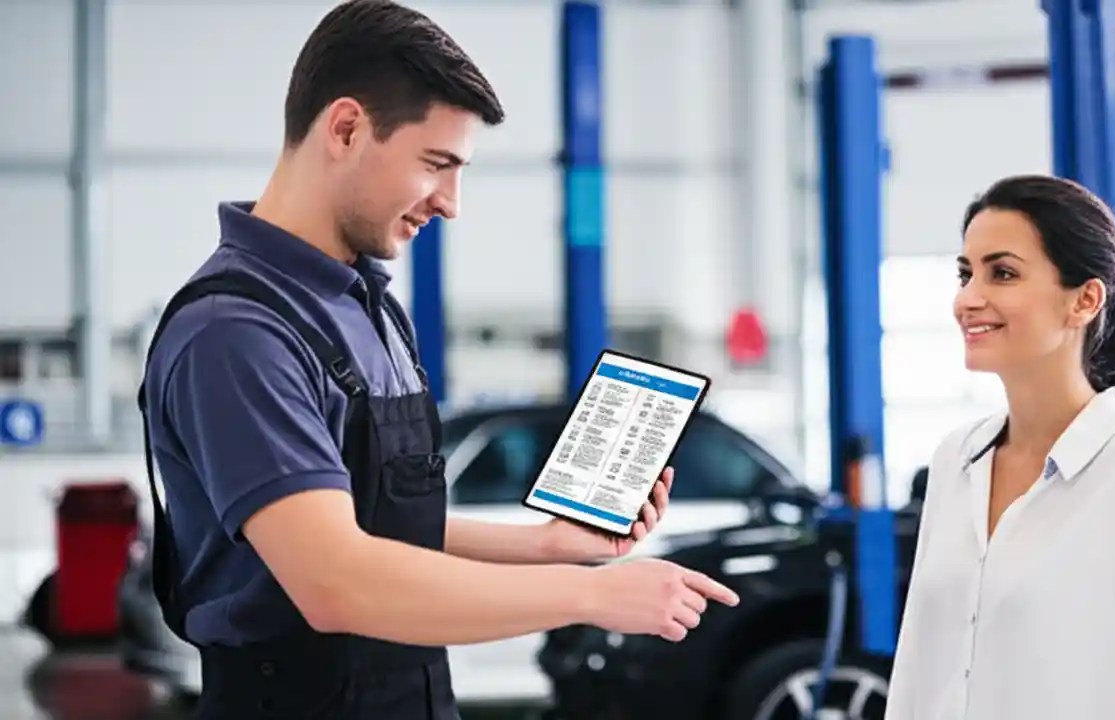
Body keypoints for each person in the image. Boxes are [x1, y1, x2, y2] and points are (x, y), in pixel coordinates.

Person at [136, 2, 739, 718]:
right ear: (347, 128)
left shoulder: (371, 308)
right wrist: (591, 596)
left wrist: (547, 545)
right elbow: (337, 580)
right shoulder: (235, 333)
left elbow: (371, 522)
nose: (451, 203)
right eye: (437, 164)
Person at [884, 175, 1115, 720]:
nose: (968, 299)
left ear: (1085, 300)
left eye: (1003, 273)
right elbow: (917, 672)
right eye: (966, 273)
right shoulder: (957, 461)